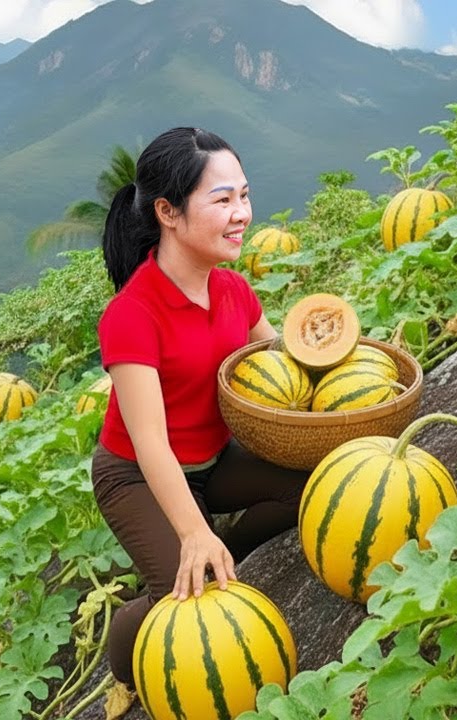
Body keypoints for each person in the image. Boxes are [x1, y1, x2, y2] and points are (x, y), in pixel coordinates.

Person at [91, 127, 308, 689]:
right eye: (222, 200)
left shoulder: (234, 291)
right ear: (167, 212)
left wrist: (341, 358)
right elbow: (149, 443)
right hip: (136, 475)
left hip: (212, 461)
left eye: (244, 195)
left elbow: (282, 365)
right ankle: (124, 653)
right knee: (188, 598)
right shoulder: (132, 314)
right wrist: (190, 533)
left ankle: (219, 547)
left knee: (311, 487)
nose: (242, 214)